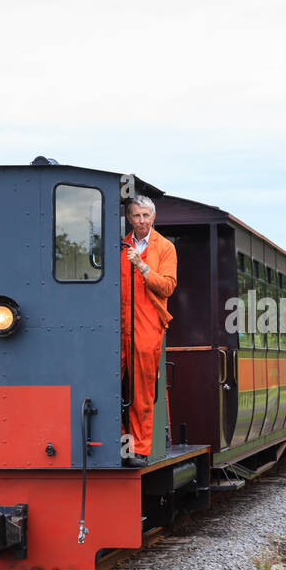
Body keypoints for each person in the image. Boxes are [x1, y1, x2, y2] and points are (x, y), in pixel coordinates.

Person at [121, 195, 177, 467]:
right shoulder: (118, 245)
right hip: (117, 322)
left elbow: (167, 287)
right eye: (136, 216)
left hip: (146, 323)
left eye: (146, 216)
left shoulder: (164, 248)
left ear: (153, 217)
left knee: (142, 387)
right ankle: (121, 446)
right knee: (114, 386)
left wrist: (141, 266)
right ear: (129, 218)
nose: (141, 221)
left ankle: (139, 449)